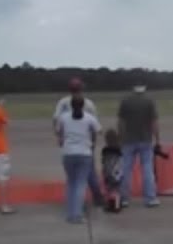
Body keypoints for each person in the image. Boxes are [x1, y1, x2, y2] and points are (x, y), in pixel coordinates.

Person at [53, 78, 104, 207]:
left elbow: (56, 120)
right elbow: (95, 126)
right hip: (85, 144)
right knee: (89, 172)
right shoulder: (88, 104)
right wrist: (93, 143)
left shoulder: (63, 103)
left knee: (73, 178)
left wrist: (59, 137)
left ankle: (74, 203)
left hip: (69, 144)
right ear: (81, 88)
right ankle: (96, 197)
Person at [117, 84, 161, 208]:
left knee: (126, 170)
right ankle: (150, 198)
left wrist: (120, 139)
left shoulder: (125, 101)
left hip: (128, 141)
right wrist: (157, 140)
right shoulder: (149, 101)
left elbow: (121, 122)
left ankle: (124, 198)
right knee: (147, 169)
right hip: (145, 140)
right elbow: (154, 123)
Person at [100, 128, 125, 213]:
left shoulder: (105, 150)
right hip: (117, 172)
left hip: (108, 172)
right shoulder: (119, 149)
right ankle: (117, 206)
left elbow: (104, 162)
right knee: (117, 190)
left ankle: (109, 204)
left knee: (109, 189)